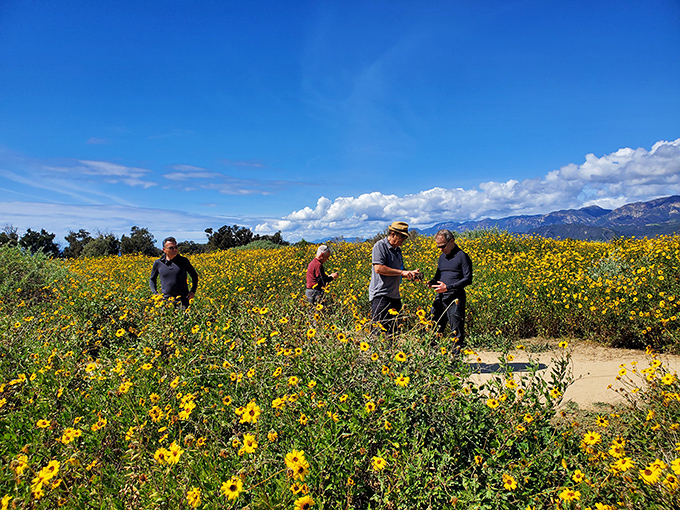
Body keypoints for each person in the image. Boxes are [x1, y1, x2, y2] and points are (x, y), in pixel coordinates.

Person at [368, 221, 421, 335]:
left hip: (394, 296)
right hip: (381, 296)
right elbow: (379, 268)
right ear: (392, 234)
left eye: (405, 238)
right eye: (402, 237)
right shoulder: (380, 246)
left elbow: (399, 270)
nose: (403, 240)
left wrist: (410, 274)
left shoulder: (397, 250)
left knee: (393, 332)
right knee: (378, 333)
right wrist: (402, 272)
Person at [428, 229, 472, 347]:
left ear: (452, 241)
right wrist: (432, 282)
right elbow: (438, 276)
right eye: (438, 247)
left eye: (443, 246)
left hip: (455, 299)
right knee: (433, 328)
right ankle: (433, 360)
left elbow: (468, 279)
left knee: (456, 331)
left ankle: (456, 359)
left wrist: (448, 287)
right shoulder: (442, 258)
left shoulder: (462, 256)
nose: (441, 249)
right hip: (441, 297)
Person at [149, 237, 199, 309]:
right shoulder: (158, 263)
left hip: (183, 300)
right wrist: (155, 293)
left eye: (176, 247)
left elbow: (194, 276)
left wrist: (193, 291)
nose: (174, 250)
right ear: (164, 250)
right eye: (171, 248)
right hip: (166, 301)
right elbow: (152, 279)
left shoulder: (183, 261)